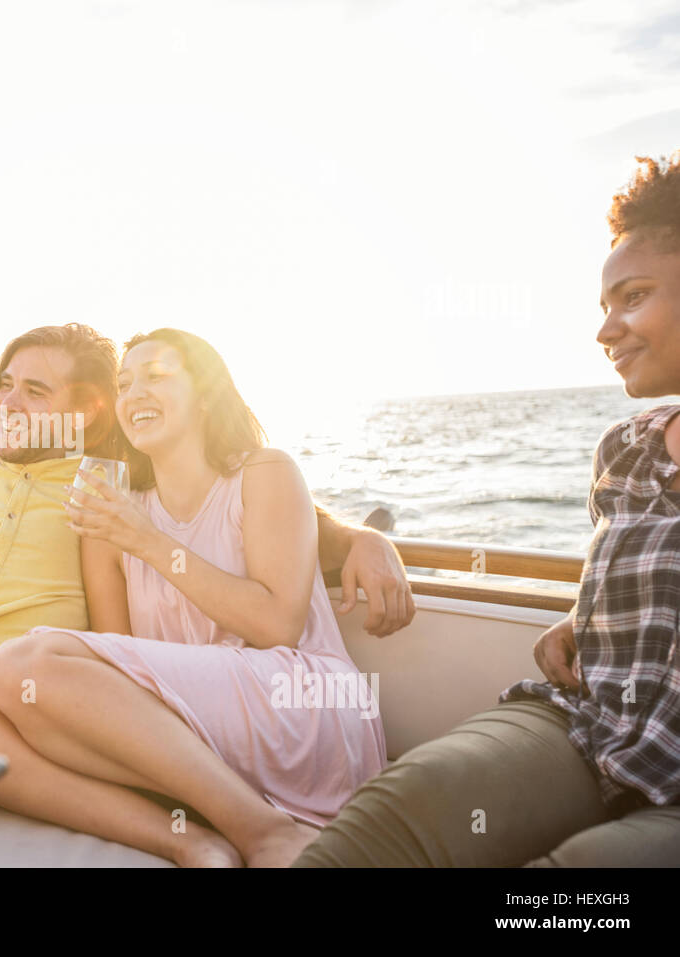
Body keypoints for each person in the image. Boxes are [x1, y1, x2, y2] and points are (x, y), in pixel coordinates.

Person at [295, 153, 680, 867]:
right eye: (603, 306)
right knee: (392, 817)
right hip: (590, 722)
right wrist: (588, 615)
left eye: (633, 296)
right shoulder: (625, 448)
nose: (604, 330)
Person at [0, 329, 388, 866]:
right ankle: (193, 839)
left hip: (299, 700)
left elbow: (277, 626)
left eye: (157, 376)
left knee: (23, 663)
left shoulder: (264, 472)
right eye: (125, 383)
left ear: (205, 393)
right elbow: (120, 659)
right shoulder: (113, 509)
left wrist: (148, 541)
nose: (135, 393)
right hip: (192, 727)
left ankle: (265, 831)